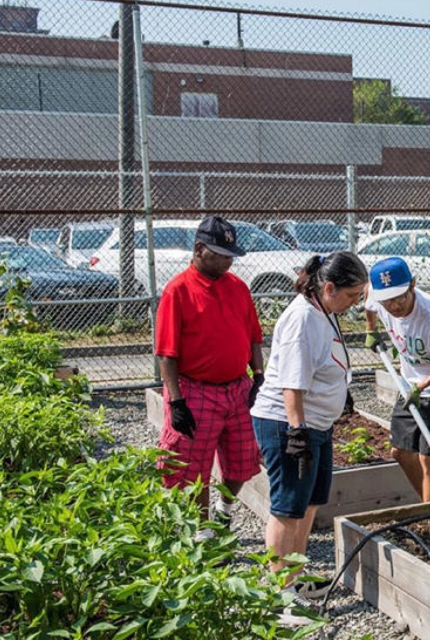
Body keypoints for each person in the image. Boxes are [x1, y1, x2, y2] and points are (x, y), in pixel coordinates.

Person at [250, 251, 368, 601]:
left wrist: (338, 393)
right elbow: (292, 382)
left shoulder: (324, 311)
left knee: (311, 502)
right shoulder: (302, 318)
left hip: (317, 423)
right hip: (287, 423)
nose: (354, 303)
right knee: (287, 508)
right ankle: (281, 593)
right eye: (350, 296)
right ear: (329, 287)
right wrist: (297, 431)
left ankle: (296, 575)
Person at [156, 215, 265, 541]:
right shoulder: (178, 290)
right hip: (194, 389)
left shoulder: (238, 288)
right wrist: (176, 400)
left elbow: (254, 337)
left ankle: (224, 511)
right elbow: (166, 353)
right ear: (199, 249)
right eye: (221, 254)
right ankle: (202, 530)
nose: (228, 261)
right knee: (191, 466)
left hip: (237, 387)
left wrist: (258, 377)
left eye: (231, 254)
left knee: (244, 460)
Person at [363, 257, 430, 502]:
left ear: (413, 284)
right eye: (388, 299)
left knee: (428, 455)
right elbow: (368, 299)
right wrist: (371, 330)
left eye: (400, 296)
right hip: (409, 382)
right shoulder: (378, 298)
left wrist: (421, 386)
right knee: (399, 451)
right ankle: (429, 505)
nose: (395, 305)